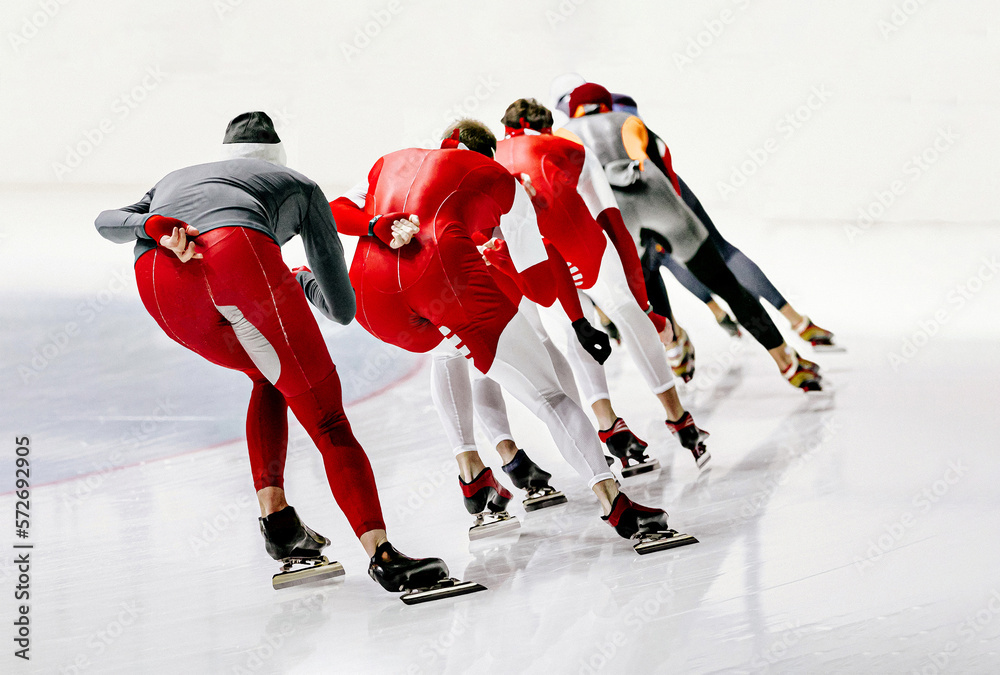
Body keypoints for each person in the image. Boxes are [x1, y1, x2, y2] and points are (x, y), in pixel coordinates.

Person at [94, 111, 481, 601]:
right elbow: (342, 308)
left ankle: (277, 522)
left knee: (265, 375)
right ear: (276, 155)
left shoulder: (174, 178)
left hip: (159, 282)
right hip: (242, 260)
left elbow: (106, 223)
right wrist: (302, 283)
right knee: (328, 420)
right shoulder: (297, 183)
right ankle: (383, 556)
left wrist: (153, 224)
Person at [312, 119, 691, 551]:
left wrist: (376, 224)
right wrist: (513, 243)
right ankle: (614, 501)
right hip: (445, 280)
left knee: (447, 353)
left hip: (373, 297)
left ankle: (473, 472)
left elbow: (332, 209)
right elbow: (542, 288)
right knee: (546, 392)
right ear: (488, 156)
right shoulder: (503, 181)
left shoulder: (393, 164)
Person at [556, 84, 823, 392]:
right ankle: (787, 362)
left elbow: (566, 193)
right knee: (727, 284)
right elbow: (664, 164)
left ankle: (674, 348)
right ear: (607, 105)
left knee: (646, 278)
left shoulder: (562, 136)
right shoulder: (629, 121)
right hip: (656, 196)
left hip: (615, 212)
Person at [494, 97, 709, 471]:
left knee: (573, 332)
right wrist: (644, 306)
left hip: (535, 265)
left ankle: (609, 425)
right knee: (628, 314)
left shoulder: (489, 159)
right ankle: (679, 419)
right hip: (583, 247)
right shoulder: (568, 147)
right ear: (545, 127)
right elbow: (612, 221)